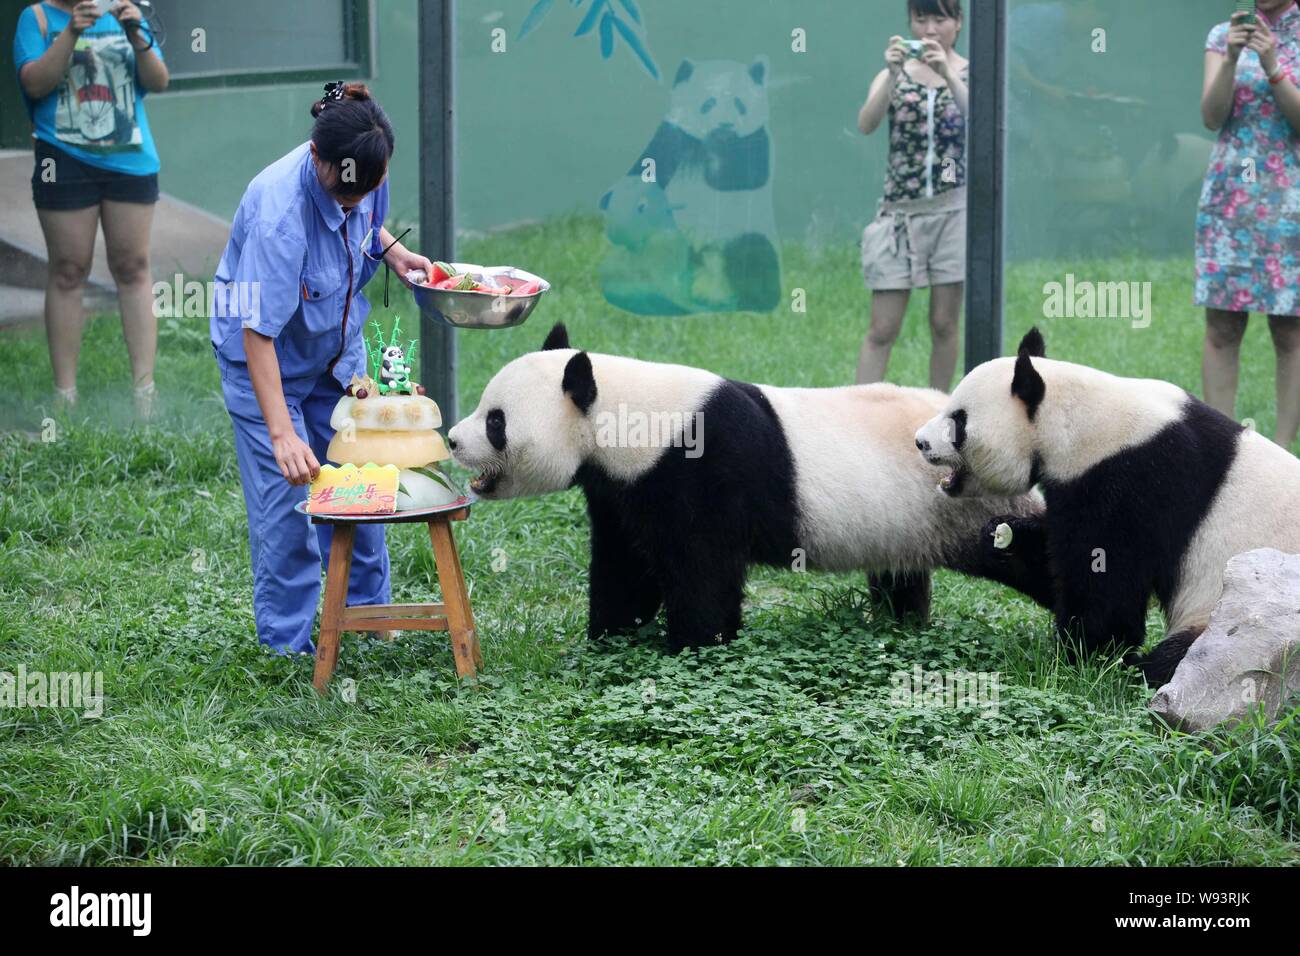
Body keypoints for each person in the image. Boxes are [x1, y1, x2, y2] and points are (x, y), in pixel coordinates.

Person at [210, 82, 433, 655]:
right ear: (317, 159)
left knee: (359, 490)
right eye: (344, 197)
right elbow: (257, 333)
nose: (354, 208)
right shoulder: (279, 220)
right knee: (290, 510)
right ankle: (286, 652)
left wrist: (393, 252)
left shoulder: (367, 167)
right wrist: (281, 433)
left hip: (335, 359)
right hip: (270, 367)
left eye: (366, 197)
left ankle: (367, 624)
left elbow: (358, 222)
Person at [13, 1, 168, 417]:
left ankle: (144, 395)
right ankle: (65, 396)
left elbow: (159, 79)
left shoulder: (124, 11)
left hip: (130, 159)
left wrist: (137, 32)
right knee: (67, 270)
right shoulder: (38, 18)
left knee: (133, 267)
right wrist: (70, 34)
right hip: (62, 160)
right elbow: (34, 84)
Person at [1197, 1, 1300, 448]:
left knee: (1291, 330)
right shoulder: (1223, 35)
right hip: (1228, 200)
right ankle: (1220, 449)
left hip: (1289, 201)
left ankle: (1281, 453)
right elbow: (1212, 116)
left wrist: (1273, 63)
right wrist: (1234, 59)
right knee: (1221, 328)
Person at [856, 0, 968, 391]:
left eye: (940, 18)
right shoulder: (894, 74)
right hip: (898, 214)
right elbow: (866, 123)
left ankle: (941, 408)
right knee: (882, 327)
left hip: (953, 211)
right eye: (921, 19)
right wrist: (891, 74)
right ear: (909, 24)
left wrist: (948, 76)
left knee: (944, 322)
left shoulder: (972, 74)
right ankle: (858, 411)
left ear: (958, 23)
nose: (930, 29)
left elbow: (983, 122)